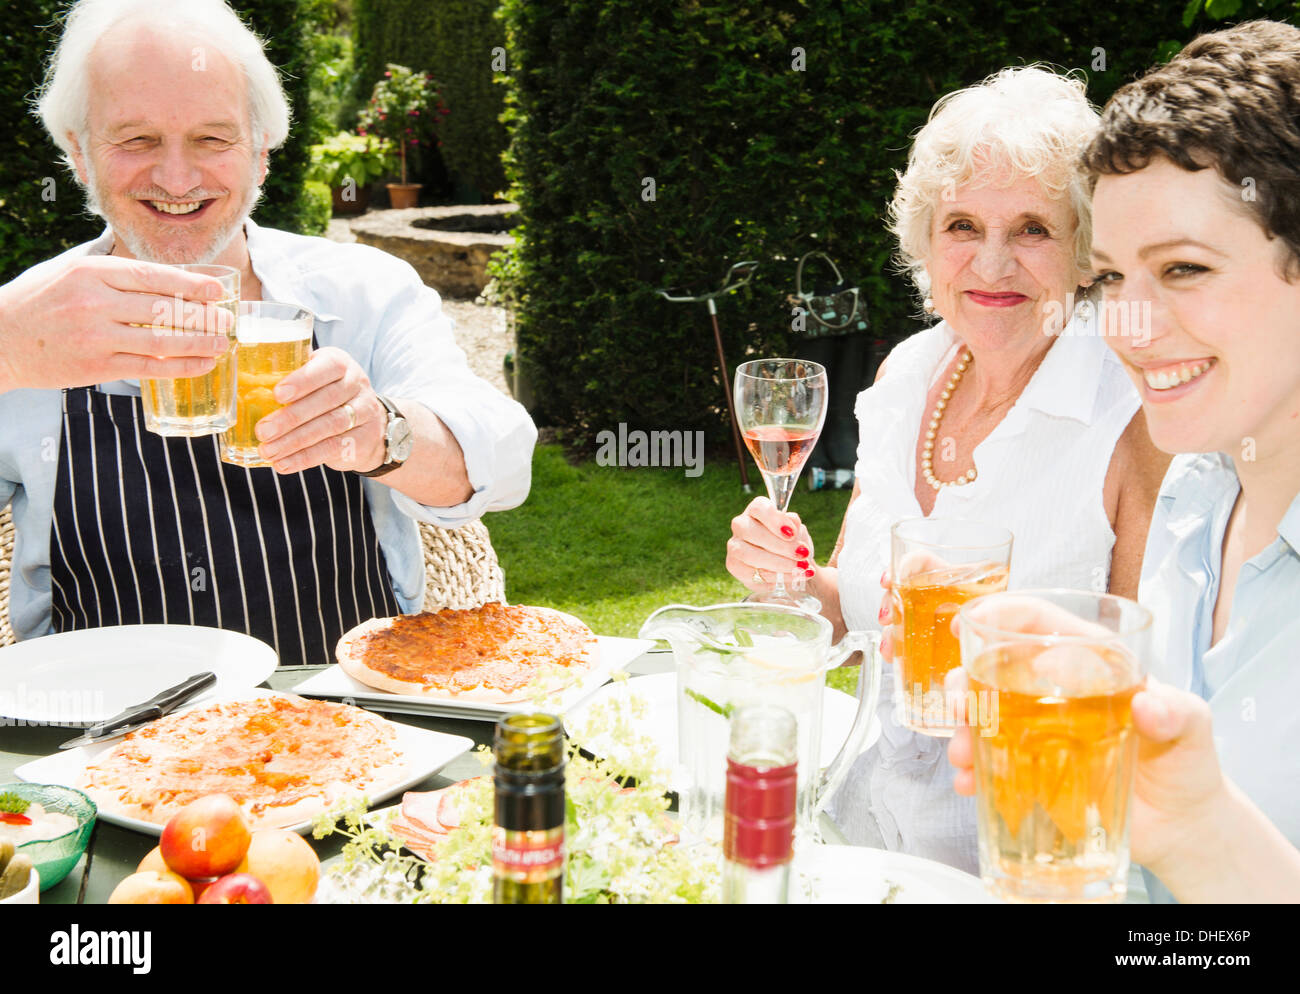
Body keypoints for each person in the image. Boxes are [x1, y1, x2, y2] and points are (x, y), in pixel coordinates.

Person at [725, 66, 1169, 871]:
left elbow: (1153, 697)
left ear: (1084, 253)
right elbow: (857, 620)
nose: (992, 264)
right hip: (854, 832)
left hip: (1015, 861)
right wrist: (792, 584)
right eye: (963, 224)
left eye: (1033, 228)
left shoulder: (1135, 416)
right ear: (926, 245)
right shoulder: (906, 373)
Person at [0, 0, 535, 665]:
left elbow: (505, 463)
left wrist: (381, 432)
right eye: (136, 139)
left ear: (260, 153)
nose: (176, 178)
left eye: (212, 139)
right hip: (97, 743)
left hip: (348, 734)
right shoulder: (23, 322)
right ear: (79, 154)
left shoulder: (363, 293)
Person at [1080, 17, 1300, 900]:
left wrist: (1207, 838)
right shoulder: (1188, 497)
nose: (1126, 328)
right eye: (1106, 278)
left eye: (1181, 270)